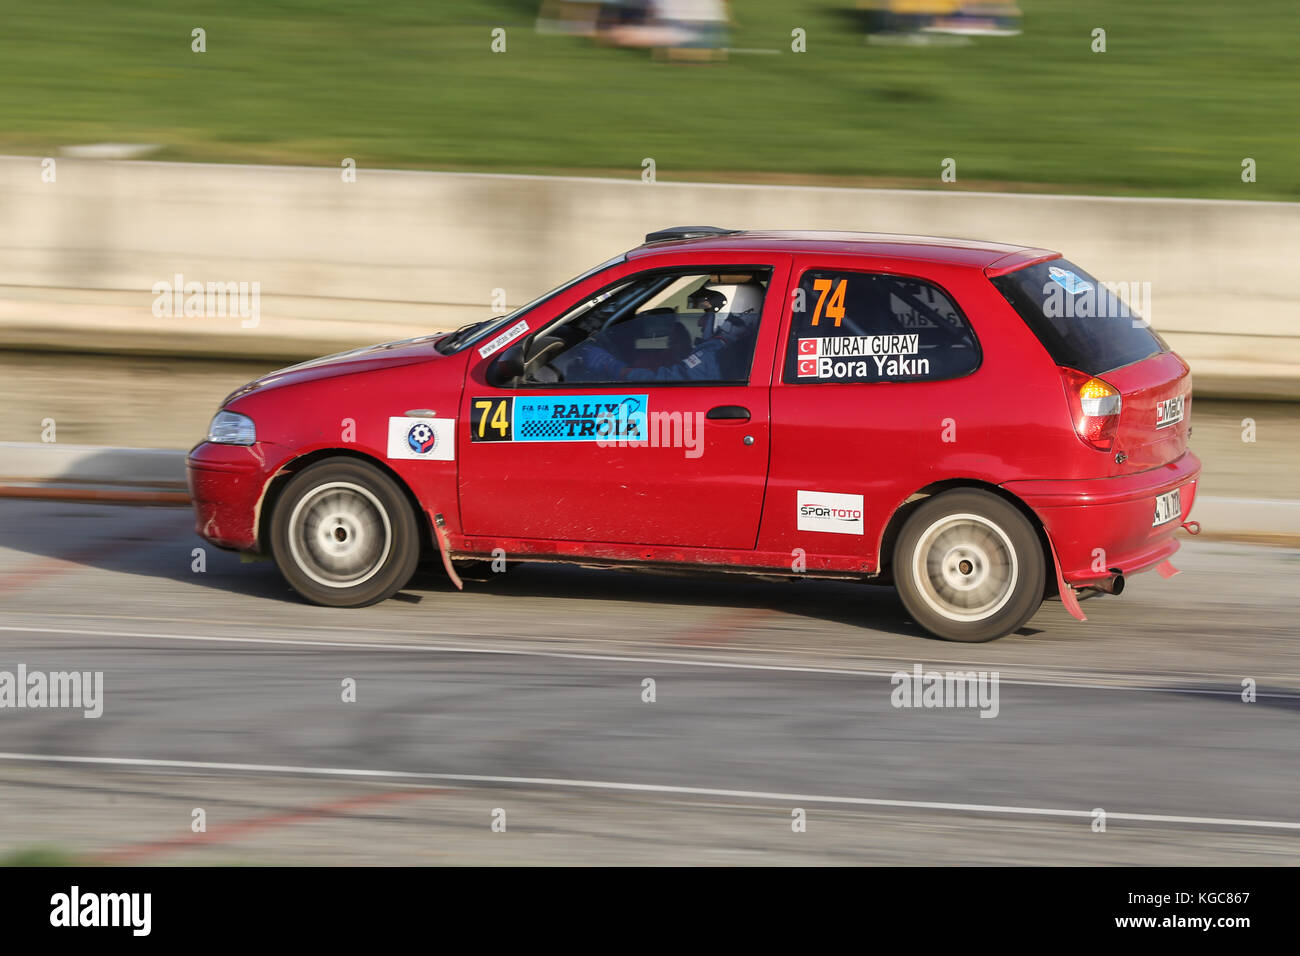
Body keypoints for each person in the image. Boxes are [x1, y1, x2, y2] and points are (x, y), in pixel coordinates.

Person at [565, 282, 763, 382]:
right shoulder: (734, 348)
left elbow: (665, 380)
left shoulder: (718, 352)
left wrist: (609, 365)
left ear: (733, 316)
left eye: (707, 313)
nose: (702, 321)